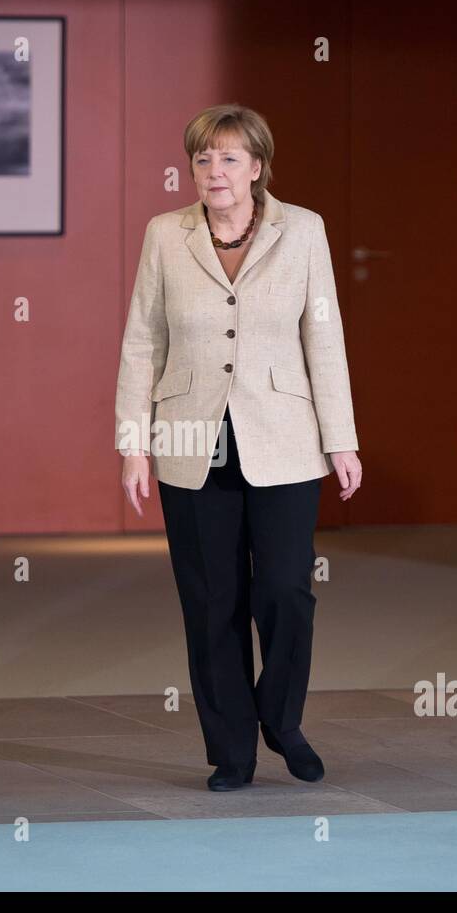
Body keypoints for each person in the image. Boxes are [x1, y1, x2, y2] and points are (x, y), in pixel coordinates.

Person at [114, 103, 362, 792]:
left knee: (285, 590)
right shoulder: (166, 234)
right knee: (210, 600)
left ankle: (281, 722)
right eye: (202, 158)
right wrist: (134, 445)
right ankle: (233, 751)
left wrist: (341, 439)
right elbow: (143, 342)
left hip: (284, 437)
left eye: (229, 158)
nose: (214, 171)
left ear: (257, 168)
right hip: (190, 439)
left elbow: (326, 339)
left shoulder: (303, 230)